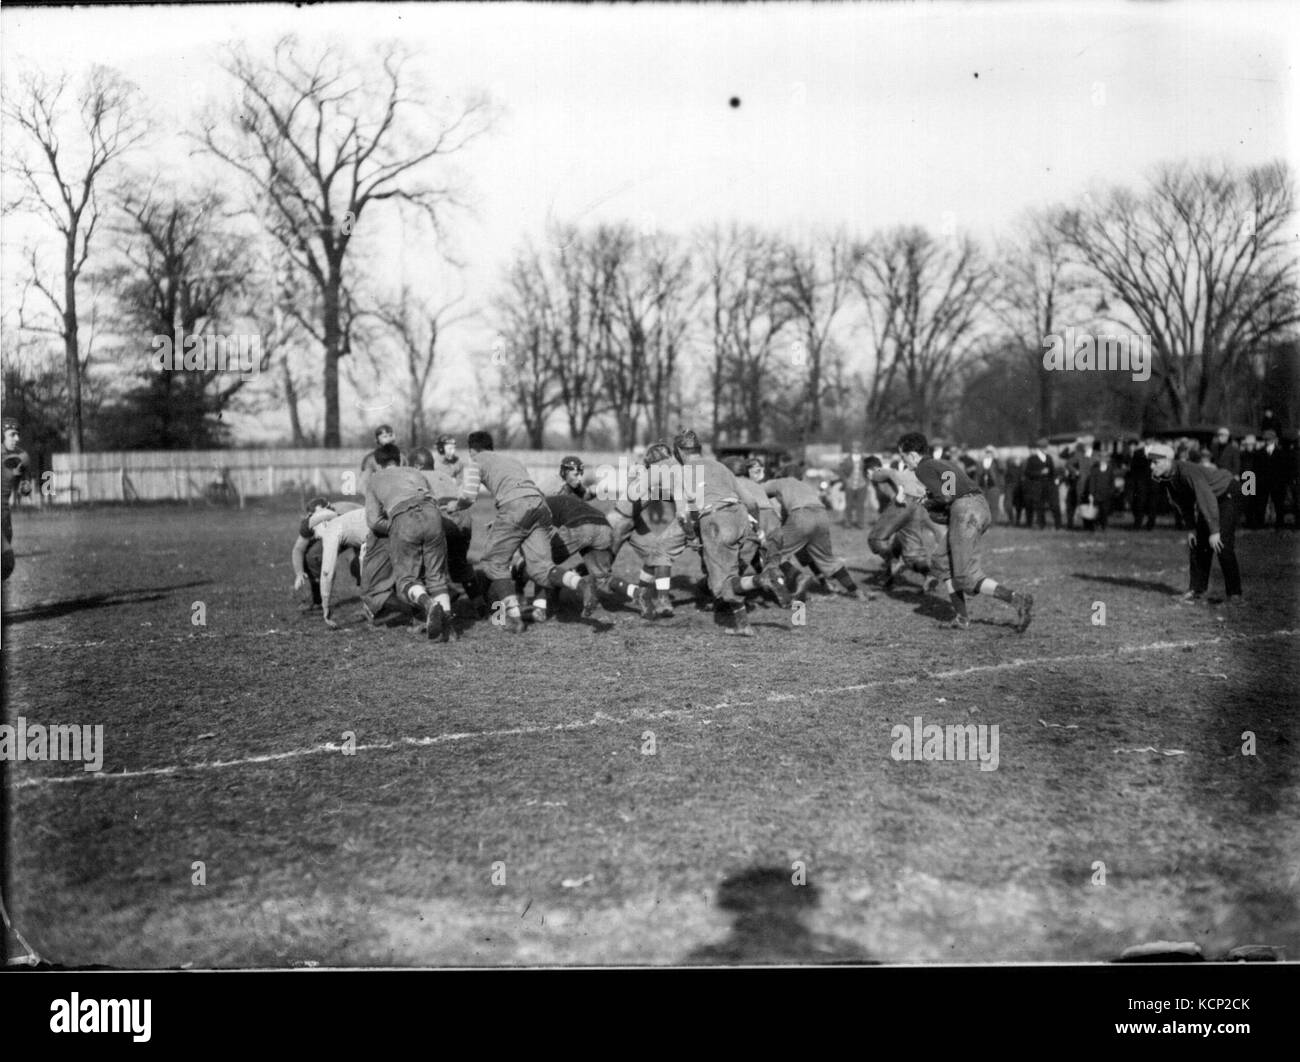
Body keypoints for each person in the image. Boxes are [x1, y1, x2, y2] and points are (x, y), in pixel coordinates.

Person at [455, 430, 593, 633]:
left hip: (514, 508)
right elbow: (524, 492)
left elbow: (468, 496)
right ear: (492, 446)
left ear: (471, 450)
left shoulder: (476, 461)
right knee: (541, 568)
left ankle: (510, 617)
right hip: (539, 506)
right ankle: (581, 584)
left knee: (494, 562)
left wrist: (453, 507)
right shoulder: (512, 461)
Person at [896, 431, 1034, 632]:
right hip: (977, 507)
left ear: (914, 455)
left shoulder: (922, 468)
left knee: (966, 577)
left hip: (966, 510)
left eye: (904, 457)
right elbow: (950, 491)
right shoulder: (941, 463)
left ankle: (1016, 599)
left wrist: (926, 502)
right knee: (941, 562)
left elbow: (946, 497)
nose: (905, 462)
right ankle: (961, 617)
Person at [657, 429, 781, 636]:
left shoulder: (681, 472)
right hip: (740, 517)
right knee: (730, 575)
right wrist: (757, 528)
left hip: (715, 520)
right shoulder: (720, 466)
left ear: (679, 451)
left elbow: (682, 514)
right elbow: (750, 502)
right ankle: (743, 625)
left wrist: (691, 537)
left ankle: (762, 579)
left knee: (720, 586)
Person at [365, 443, 458, 642]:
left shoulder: (374, 478)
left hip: (404, 517)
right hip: (433, 515)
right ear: (399, 459)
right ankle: (449, 629)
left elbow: (373, 521)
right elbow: (434, 498)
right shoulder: (415, 472)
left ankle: (428, 604)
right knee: (437, 576)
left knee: (407, 580)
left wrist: (393, 528)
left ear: (378, 464)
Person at [1147, 442, 1242, 607]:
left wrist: (1214, 531)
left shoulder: (1188, 472)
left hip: (1227, 493)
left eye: (1155, 462)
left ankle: (1235, 595)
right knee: (1197, 544)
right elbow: (1183, 502)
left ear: (1167, 461)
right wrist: (1191, 528)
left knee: (1222, 544)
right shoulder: (1168, 476)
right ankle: (1197, 590)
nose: (1151, 466)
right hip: (1211, 499)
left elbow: (1206, 497)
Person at [762, 473, 863, 602]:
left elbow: (757, 489)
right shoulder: (803, 486)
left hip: (801, 515)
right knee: (827, 559)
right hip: (822, 515)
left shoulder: (781, 481)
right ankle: (856, 591)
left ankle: (799, 577)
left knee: (772, 550)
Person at [291, 496, 362, 611]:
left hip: (354, 531)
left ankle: (376, 593)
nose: (323, 522)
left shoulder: (348, 512)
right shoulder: (308, 525)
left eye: (326, 517)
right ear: (310, 517)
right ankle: (317, 597)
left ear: (331, 510)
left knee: (359, 562)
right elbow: (298, 549)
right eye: (319, 520)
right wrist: (299, 573)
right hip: (333, 537)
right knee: (312, 556)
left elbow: (369, 525)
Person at [2, 417, 33, 581]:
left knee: (4, 567)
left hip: (5, 516)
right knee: (7, 561)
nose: (17, 438)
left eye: (18, 434)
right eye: (12, 434)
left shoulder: (22, 456)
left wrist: (26, 487)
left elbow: (26, 483)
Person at [358, 424, 406, 496]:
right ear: (377, 440)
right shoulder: (370, 459)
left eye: (390, 435)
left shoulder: (401, 456)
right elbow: (363, 484)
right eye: (385, 436)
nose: (388, 439)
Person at [1023, 439, 1059, 530]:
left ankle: (1058, 525)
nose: (1045, 449)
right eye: (1043, 448)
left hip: (1049, 486)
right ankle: (1041, 524)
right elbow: (1027, 472)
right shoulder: (1032, 459)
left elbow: (1053, 471)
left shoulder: (1049, 458)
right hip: (1037, 486)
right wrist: (1040, 472)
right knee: (1039, 506)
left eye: (1046, 447)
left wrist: (1055, 479)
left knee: (1054, 504)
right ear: (1039, 448)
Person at [1080, 454, 1119, 532]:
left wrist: (1111, 492)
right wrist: (1091, 494)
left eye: (1104, 459)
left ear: (1107, 461)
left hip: (1106, 495)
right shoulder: (1095, 470)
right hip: (1096, 495)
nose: (1103, 461)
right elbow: (1092, 483)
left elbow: (1112, 483)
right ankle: (1094, 527)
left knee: (1104, 512)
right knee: (1096, 512)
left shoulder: (1110, 470)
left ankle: (1104, 527)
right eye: (1101, 459)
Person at [838, 442, 869, 530]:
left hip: (862, 485)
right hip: (849, 485)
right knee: (849, 505)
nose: (856, 449)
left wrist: (867, 482)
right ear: (852, 448)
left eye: (858, 448)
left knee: (861, 505)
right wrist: (845, 481)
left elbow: (869, 471)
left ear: (860, 449)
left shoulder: (864, 459)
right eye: (854, 448)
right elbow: (841, 471)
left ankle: (861, 524)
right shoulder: (847, 459)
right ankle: (848, 523)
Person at [1127, 442, 1157, 530]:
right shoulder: (1138, 452)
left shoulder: (1158, 451)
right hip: (1141, 482)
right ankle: (1138, 524)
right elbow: (1133, 467)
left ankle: (1150, 524)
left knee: (1152, 504)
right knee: (1140, 504)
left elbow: (1162, 465)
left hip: (1153, 482)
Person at [974, 446, 1003, 525]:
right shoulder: (980, 463)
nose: (988, 454)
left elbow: (1002, 468)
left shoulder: (996, 462)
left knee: (994, 505)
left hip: (993, 486)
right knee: (982, 505)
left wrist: (997, 457)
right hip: (982, 486)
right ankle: (983, 522)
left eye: (990, 452)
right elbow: (977, 476)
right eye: (987, 452)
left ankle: (993, 523)